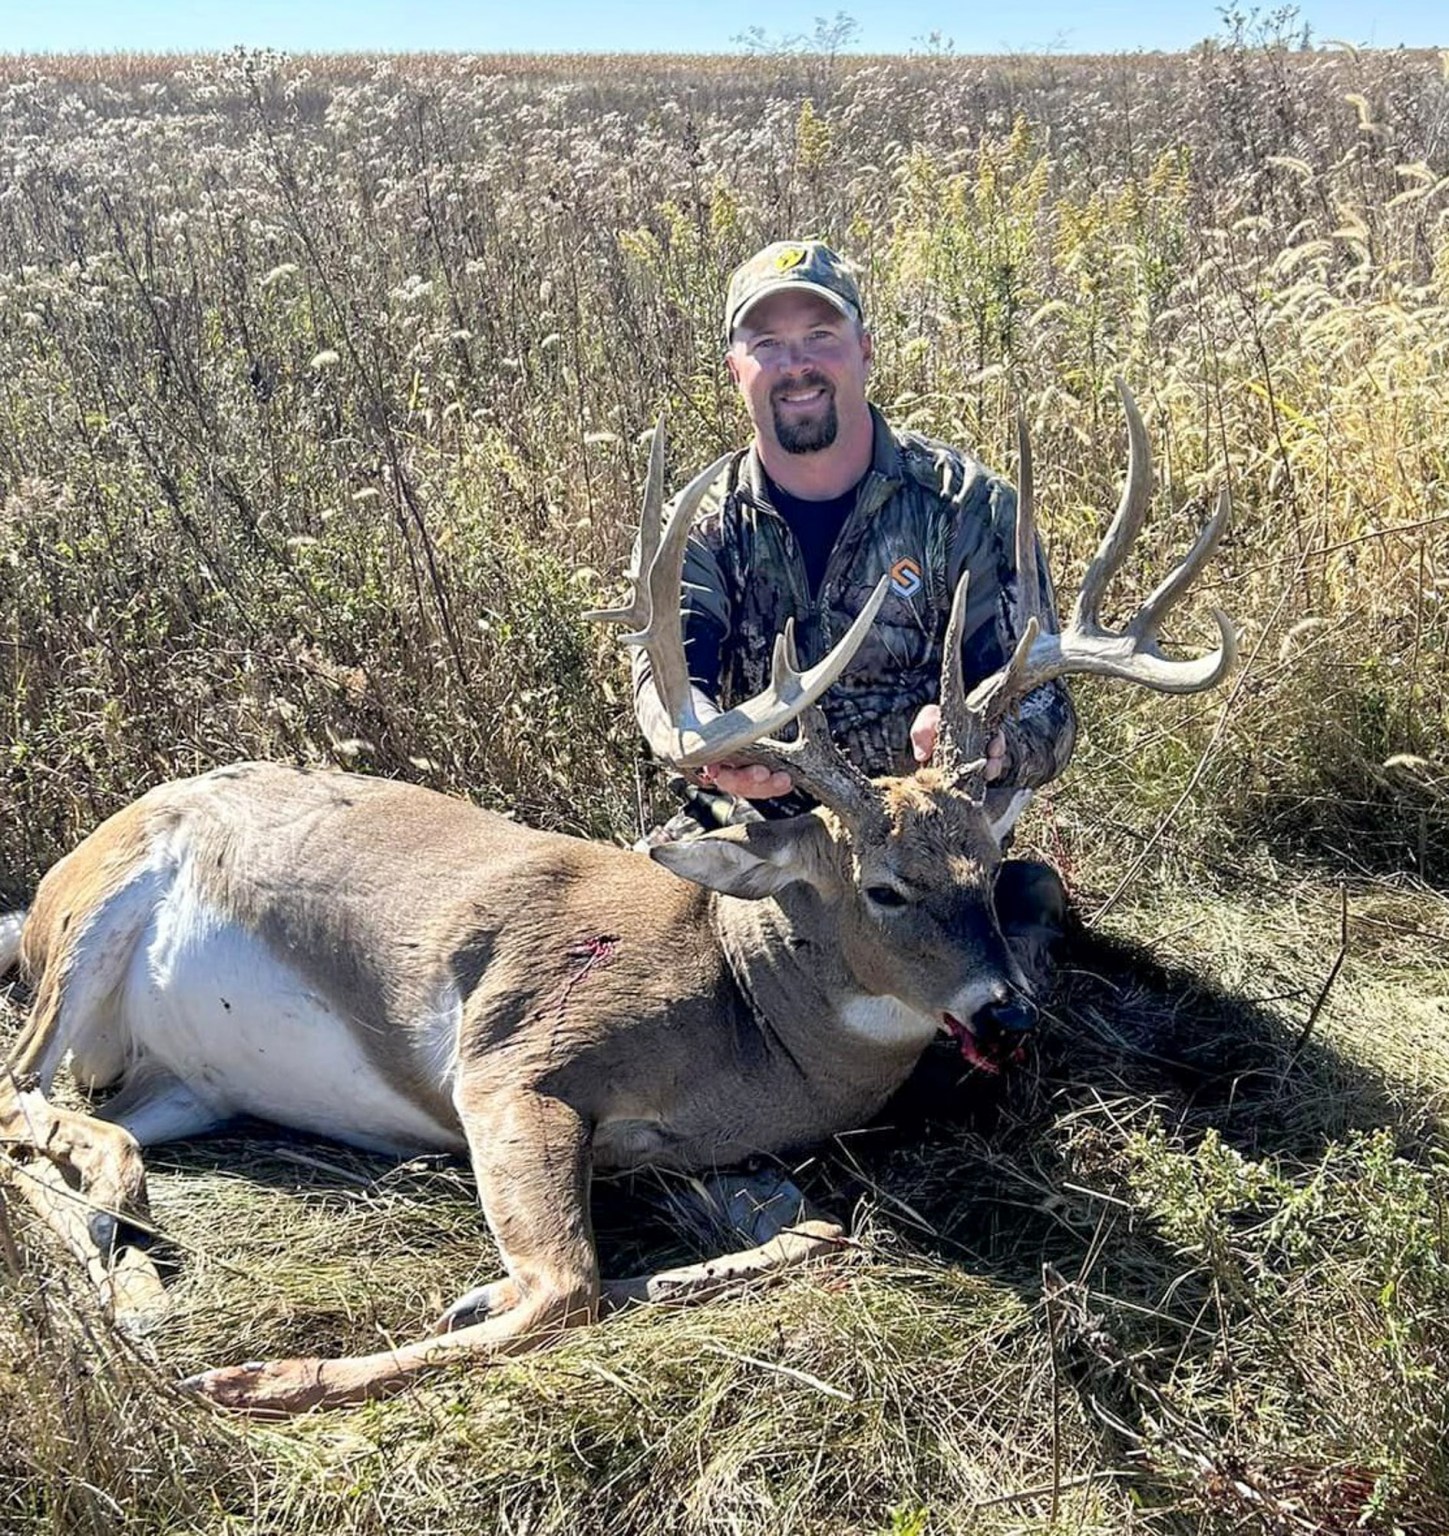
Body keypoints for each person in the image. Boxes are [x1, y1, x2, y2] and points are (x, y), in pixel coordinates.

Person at [633, 239, 1074, 938]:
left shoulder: (968, 506)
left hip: (928, 840)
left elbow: (1049, 708)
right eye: (767, 344)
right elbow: (666, 688)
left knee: (968, 963)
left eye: (819, 335)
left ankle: (994, 921)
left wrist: (992, 739)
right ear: (734, 368)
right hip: (777, 827)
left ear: (864, 349)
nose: (796, 365)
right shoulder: (697, 528)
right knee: (637, 933)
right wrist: (713, 755)